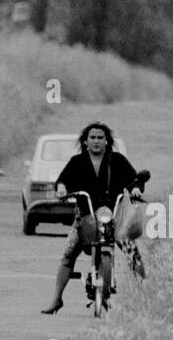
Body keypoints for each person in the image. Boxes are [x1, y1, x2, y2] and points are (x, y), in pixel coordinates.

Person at [40, 121, 146, 314]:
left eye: (100, 137)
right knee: (67, 256)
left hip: (113, 217)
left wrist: (137, 188)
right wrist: (62, 189)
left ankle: (144, 297)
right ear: (86, 141)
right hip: (85, 217)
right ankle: (56, 299)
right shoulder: (77, 162)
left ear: (107, 141)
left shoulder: (117, 160)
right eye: (92, 138)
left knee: (133, 254)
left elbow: (134, 180)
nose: (96, 141)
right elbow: (62, 180)